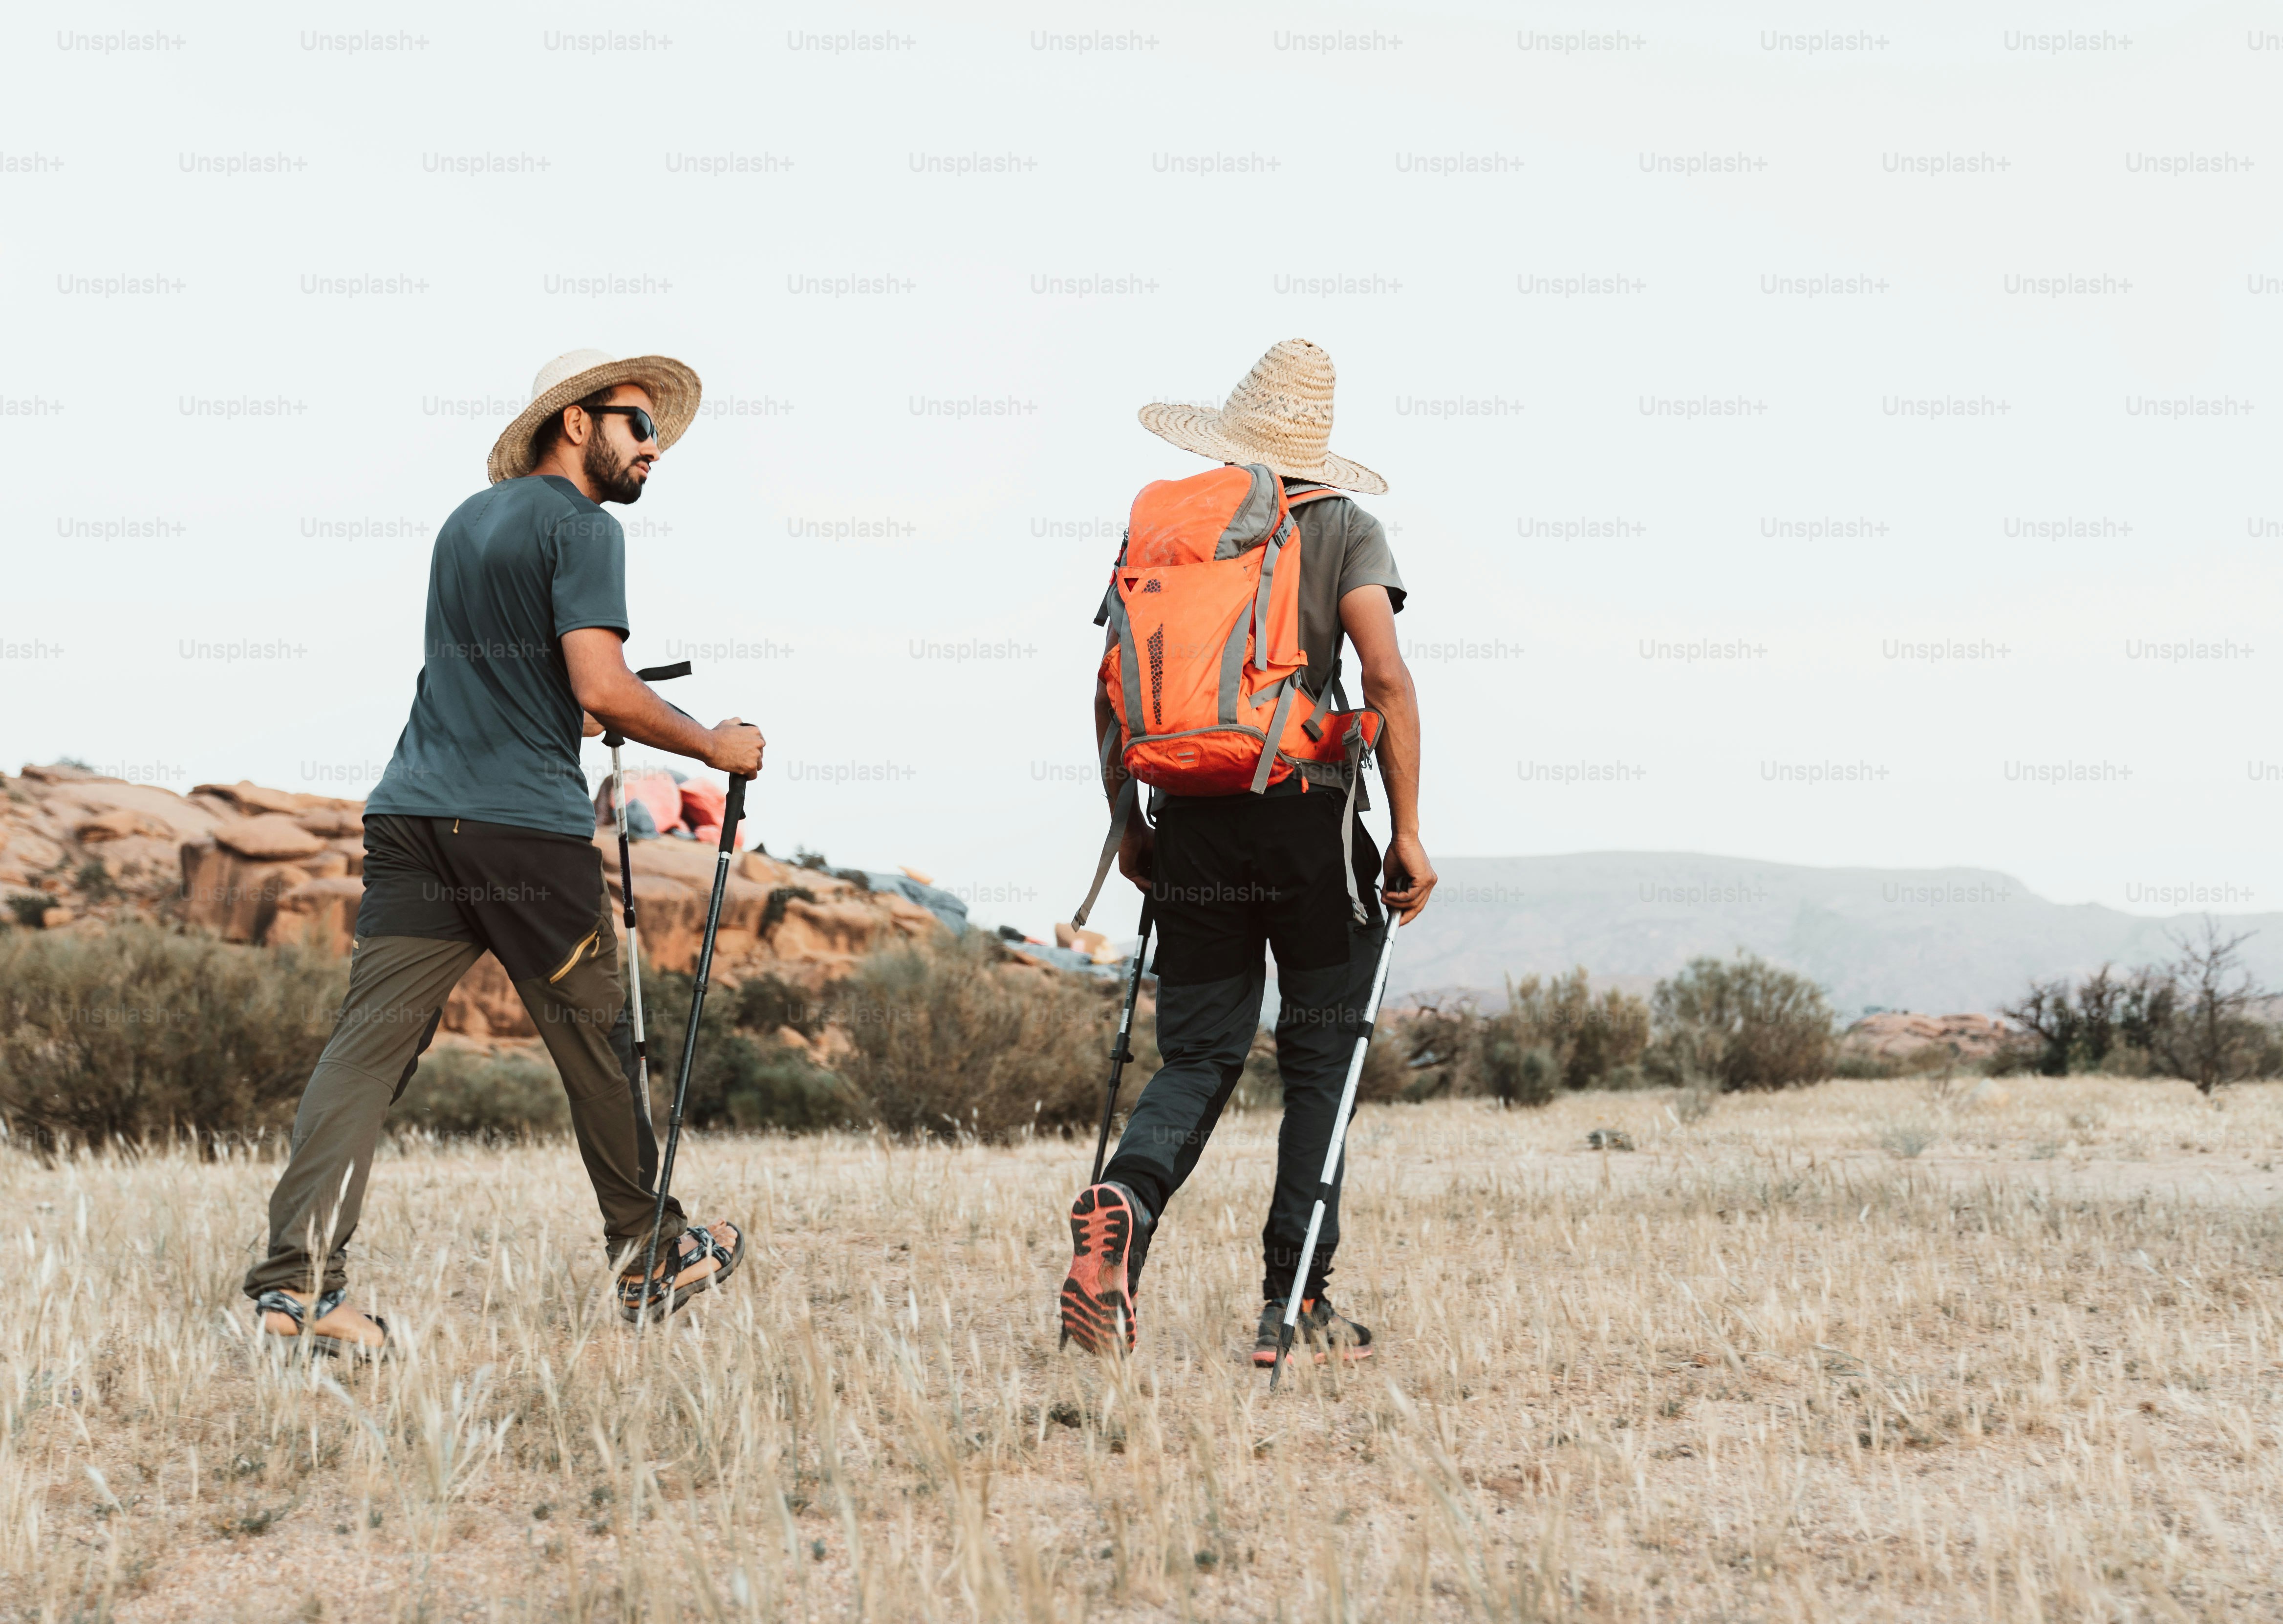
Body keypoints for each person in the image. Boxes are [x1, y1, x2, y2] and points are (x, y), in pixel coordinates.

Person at [242, 348, 763, 1351]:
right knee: (599, 1046)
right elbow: (603, 688)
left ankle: (295, 1290)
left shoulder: (464, 523)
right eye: (638, 426)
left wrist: (576, 717)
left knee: (364, 1053)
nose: (655, 449)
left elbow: (519, 690)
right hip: (520, 829)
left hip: (411, 817)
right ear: (578, 423)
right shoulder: (582, 526)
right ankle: (651, 1255)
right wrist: (711, 744)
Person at [1060, 338, 1438, 1365]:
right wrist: (1403, 831)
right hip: (1307, 822)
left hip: (1188, 818)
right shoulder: (1343, 526)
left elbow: (1107, 687)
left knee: (1198, 1057)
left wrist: (1129, 827)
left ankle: (1125, 1203)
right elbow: (1387, 681)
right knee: (1320, 1064)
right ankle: (1294, 1307)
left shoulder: (1172, 528)